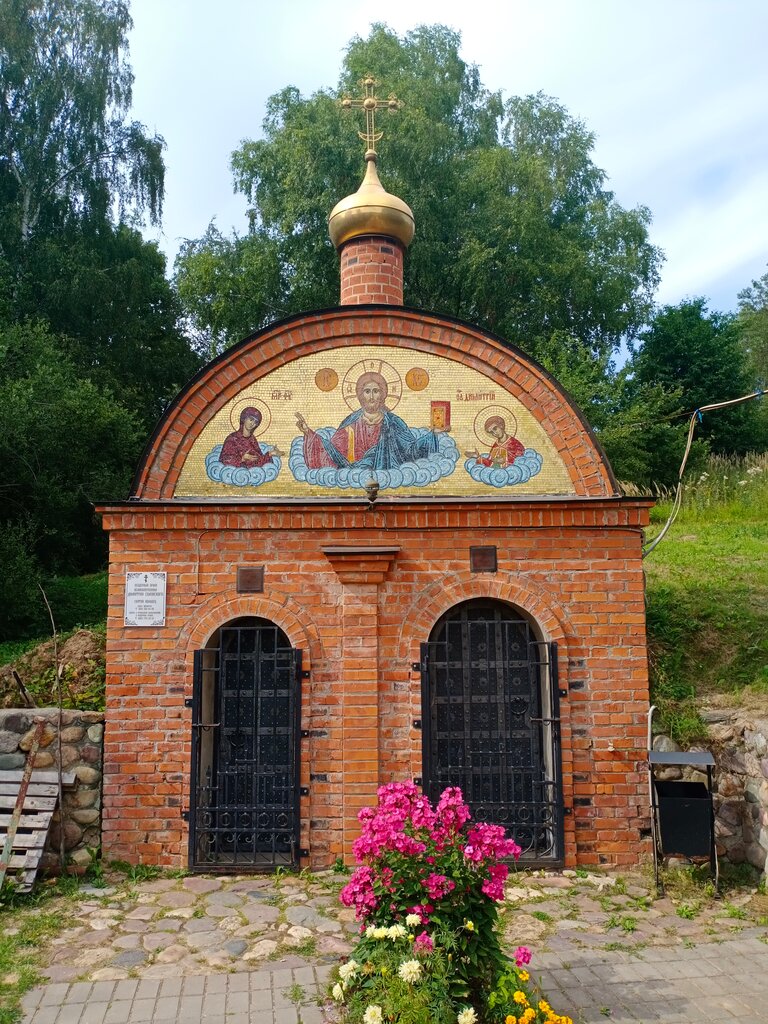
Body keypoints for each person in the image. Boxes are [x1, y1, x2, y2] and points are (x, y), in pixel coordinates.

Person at [295, 371, 442, 470]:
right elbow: (332, 452)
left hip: (387, 478)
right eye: (367, 391)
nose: (371, 397)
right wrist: (308, 432)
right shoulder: (350, 425)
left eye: (376, 391)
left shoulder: (394, 423)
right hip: (354, 476)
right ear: (360, 396)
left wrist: (432, 435)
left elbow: (411, 451)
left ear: (383, 395)